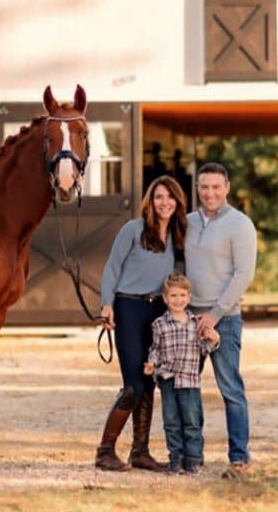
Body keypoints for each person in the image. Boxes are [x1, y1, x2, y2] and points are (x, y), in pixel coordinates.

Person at [95, 175, 188, 472]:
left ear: (178, 202)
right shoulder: (133, 230)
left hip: (158, 310)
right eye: (159, 197)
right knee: (133, 385)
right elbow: (112, 267)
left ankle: (140, 452)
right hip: (129, 307)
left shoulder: (177, 234)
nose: (165, 203)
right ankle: (104, 452)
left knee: (149, 382)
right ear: (150, 200)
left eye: (171, 197)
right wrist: (107, 304)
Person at [185, 161, 257, 479]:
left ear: (226, 187)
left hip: (223, 319)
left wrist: (214, 315)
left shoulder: (240, 225)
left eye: (216, 187)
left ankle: (239, 457)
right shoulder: (186, 222)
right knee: (186, 388)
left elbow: (244, 274)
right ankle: (191, 455)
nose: (210, 193)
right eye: (204, 187)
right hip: (187, 319)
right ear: (197, 188)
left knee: (230, 389)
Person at [144, 272, 219, 475]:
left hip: (189, 381)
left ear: (189, 297)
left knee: (192, 422)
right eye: (173, 296)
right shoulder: (159, 324)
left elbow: (204, 349)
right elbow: (156, 348)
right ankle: (175, 459)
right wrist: (152, 363)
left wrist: (214, 339)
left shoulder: (196, 324)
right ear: (165, 298)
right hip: (168, 380)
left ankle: (193, 459)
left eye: (182, 295)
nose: (178, 300)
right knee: (171, 422)